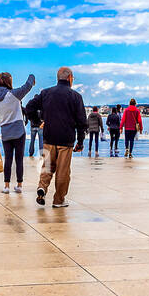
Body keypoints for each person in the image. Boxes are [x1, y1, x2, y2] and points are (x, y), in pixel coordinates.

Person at [23, 66, 87, 208]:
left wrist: (38, 122)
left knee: (47, 167)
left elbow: (29, 108)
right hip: (66, 139)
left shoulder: (46, 93)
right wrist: (80, 142)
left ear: (58, 78)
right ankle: (58, 200)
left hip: (49, 137)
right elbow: (82, 122)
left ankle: (42, 188)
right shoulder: (76, 96)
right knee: (63, 171)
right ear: (70, 78)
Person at [0, 71, 36, 194]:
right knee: (19, 159)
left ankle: (6, 186)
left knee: (8, 159)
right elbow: (27, 86)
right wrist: (32, 76)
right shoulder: (13, 94)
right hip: (18, 131)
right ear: (8, 81)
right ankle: (19, 185)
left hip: (5, 132)